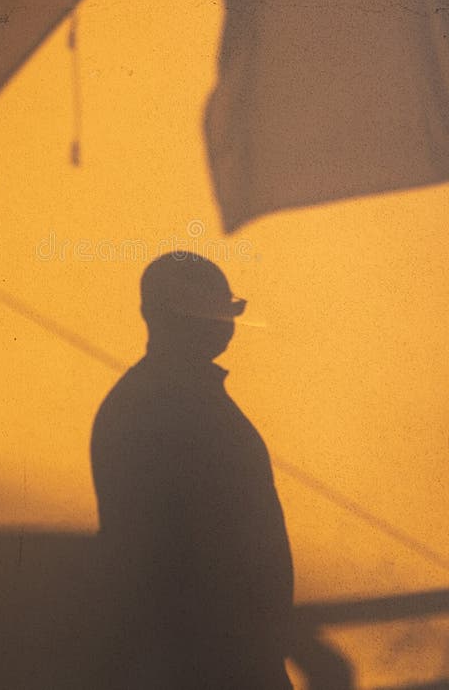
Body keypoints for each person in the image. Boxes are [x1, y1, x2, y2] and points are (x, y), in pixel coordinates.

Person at [91, 253, 294, 689]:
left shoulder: (159, 399)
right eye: (210, 311)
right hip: (214, 661)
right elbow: (203, 556)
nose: (223, 324)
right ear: (162, 316)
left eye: (226, 311)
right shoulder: (167, 405)